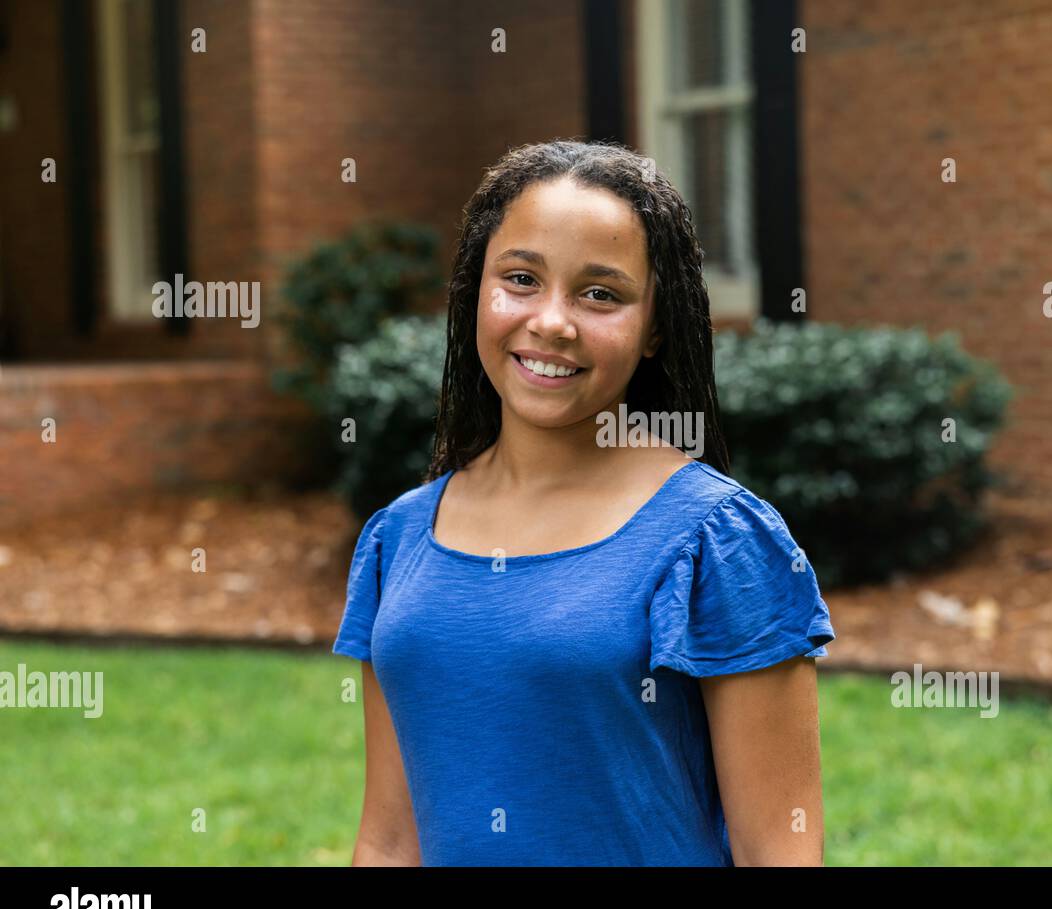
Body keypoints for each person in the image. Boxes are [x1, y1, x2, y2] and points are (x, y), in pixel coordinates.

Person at [334, 139, 836, 866]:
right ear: (478, 289)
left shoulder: (717, 540)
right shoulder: (399, 538)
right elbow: (389, 839)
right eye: (521, 278)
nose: (552, 321)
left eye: (600, 293)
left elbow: (779, 851)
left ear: (657, 325)